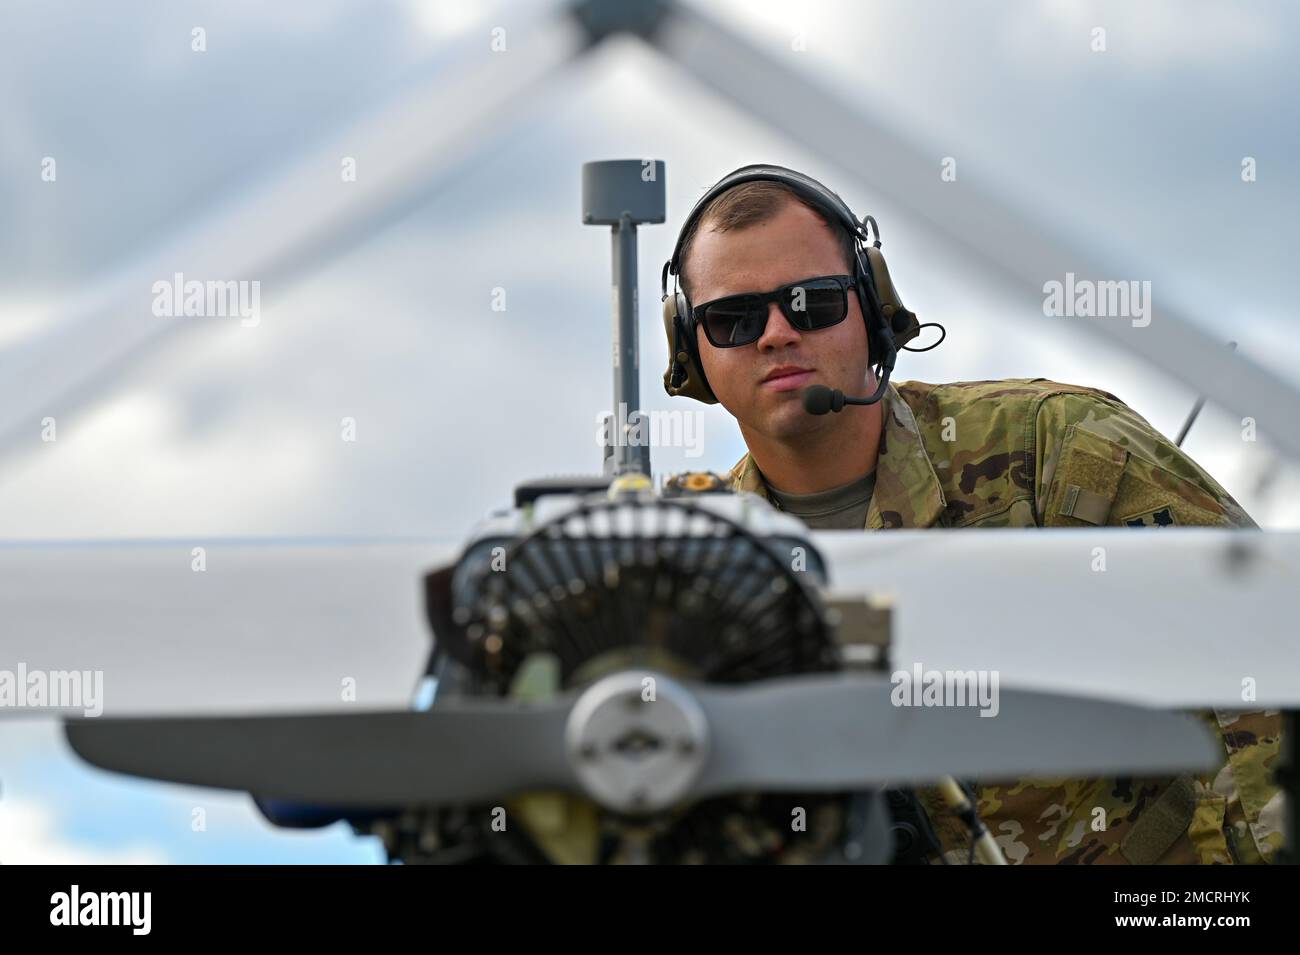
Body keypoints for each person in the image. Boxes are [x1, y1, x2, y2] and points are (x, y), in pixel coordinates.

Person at [659, 164, 1283, 864]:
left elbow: (1260, 664)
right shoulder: (682, 562)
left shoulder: (1061, 449)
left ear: (872, 305)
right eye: (732, 318)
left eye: (810, 302)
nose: (775, 334)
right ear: (692, 348)